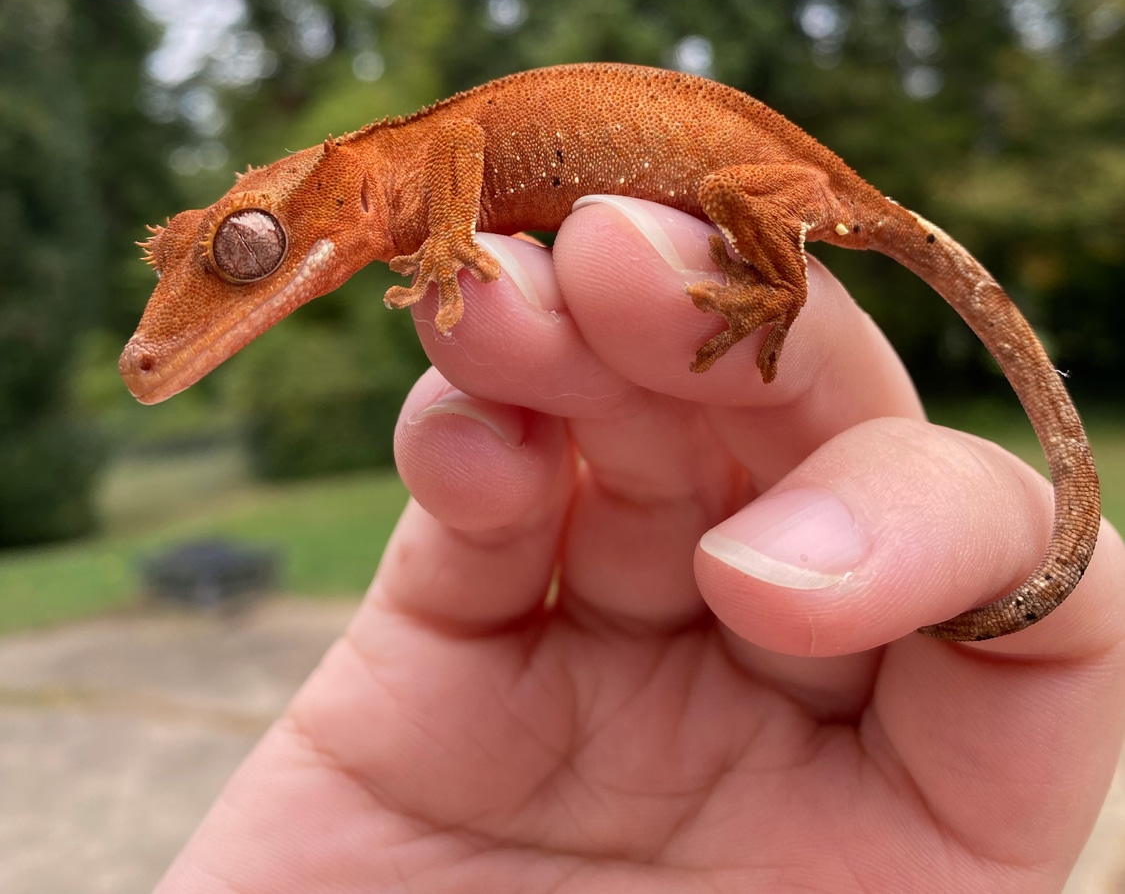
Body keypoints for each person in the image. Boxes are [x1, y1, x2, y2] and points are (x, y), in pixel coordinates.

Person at [157, 195, 1125, 893]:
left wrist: (450, 235)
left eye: (243, 246)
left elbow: (459, 150)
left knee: (689, 244)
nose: (247, 262)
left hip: (763, 191)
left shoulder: (405, 165)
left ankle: (777, 288)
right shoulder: (395, 192)